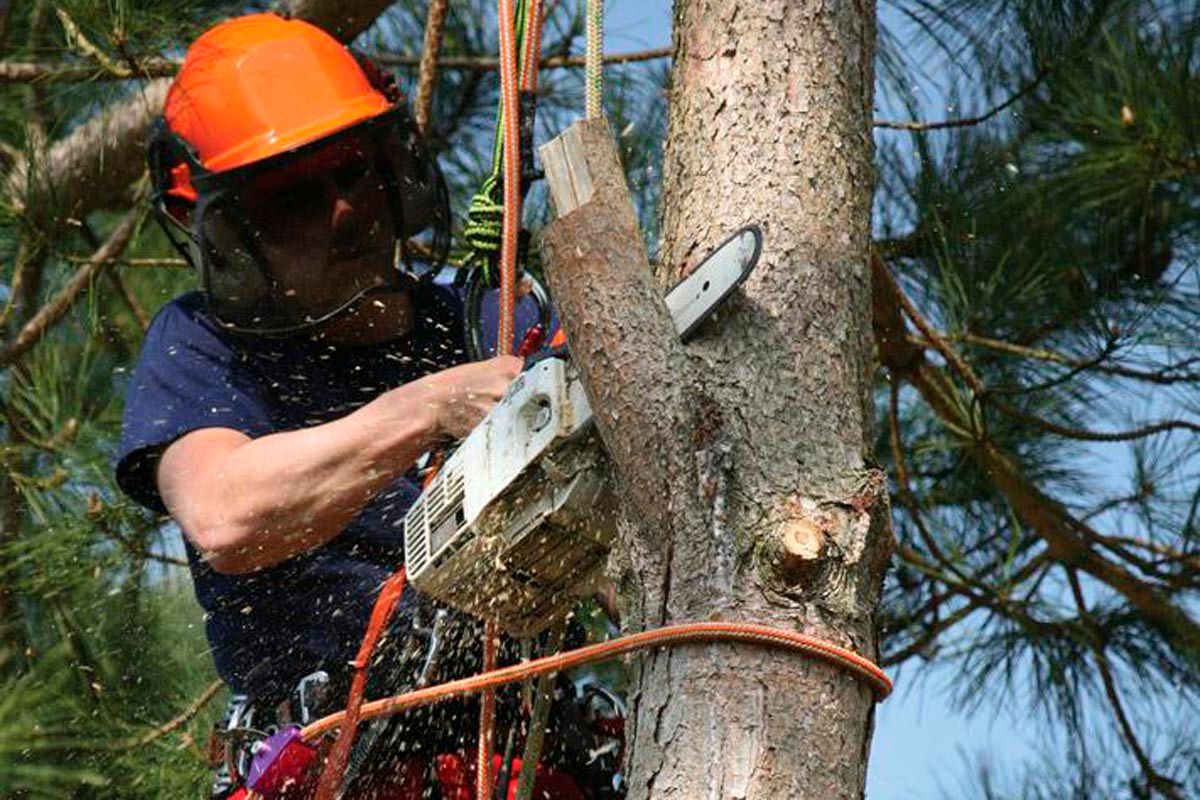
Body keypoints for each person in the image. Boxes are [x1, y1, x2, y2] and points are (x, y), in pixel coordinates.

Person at [116, 13, 610, 799]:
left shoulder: (492, 321)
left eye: (354, 173)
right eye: (292, 202)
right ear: (229, 233)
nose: (344, 213)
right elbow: (225, 517)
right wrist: (426, 408)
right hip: (328, 766)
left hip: (531, 759)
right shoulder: (205, 347)